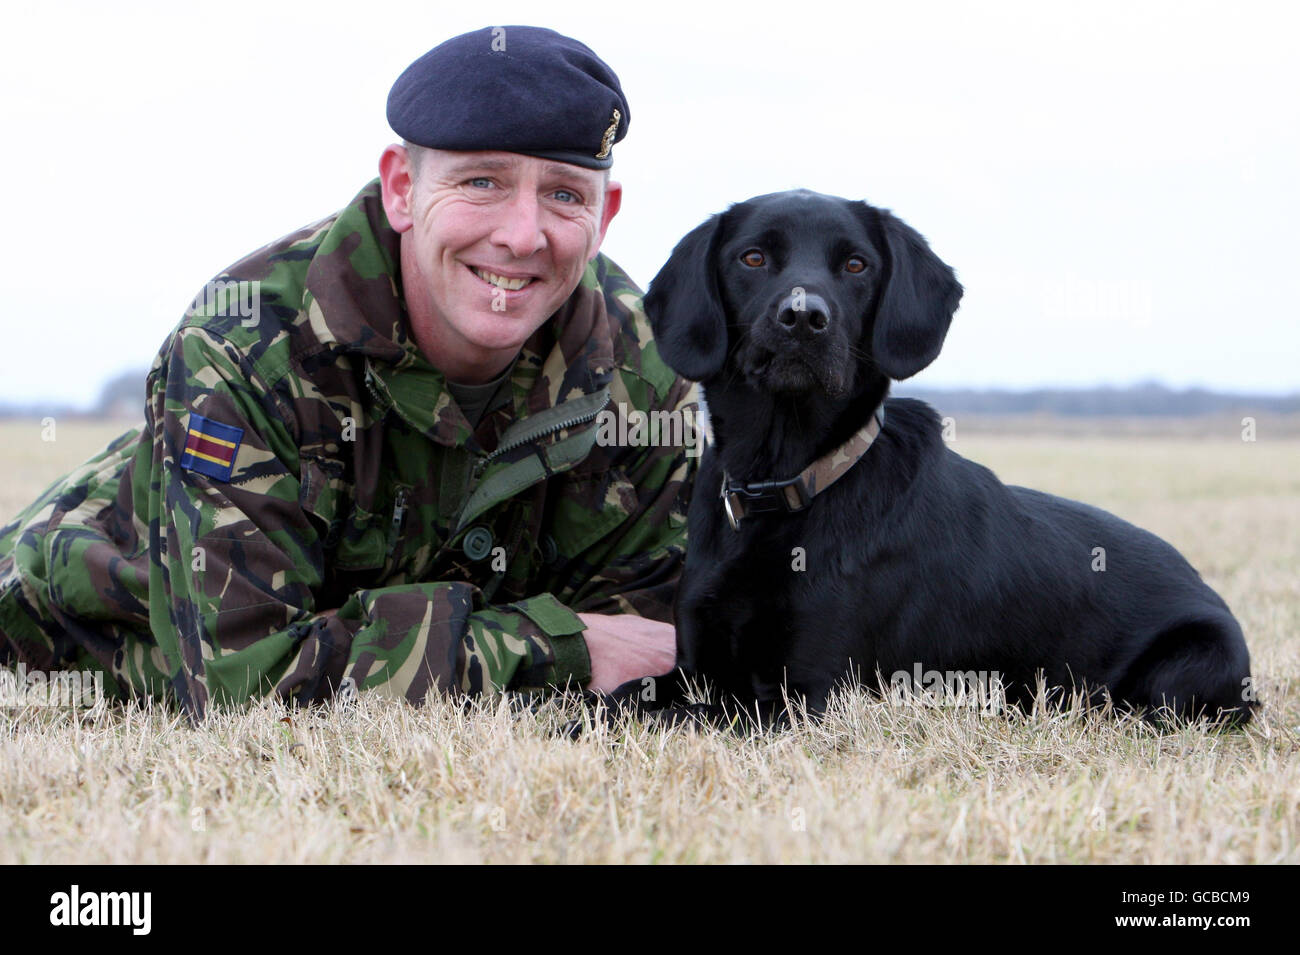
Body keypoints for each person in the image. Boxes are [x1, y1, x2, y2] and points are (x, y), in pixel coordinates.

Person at [0, 26, 690, 720]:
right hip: (64, 640)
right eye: (482, 182)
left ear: (605, 215)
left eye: (565, 195)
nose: (520, 233)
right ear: (400, 189)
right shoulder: (245, 343)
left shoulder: (647, 368)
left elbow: (650, 641)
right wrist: (551, 646)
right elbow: (244, 683)